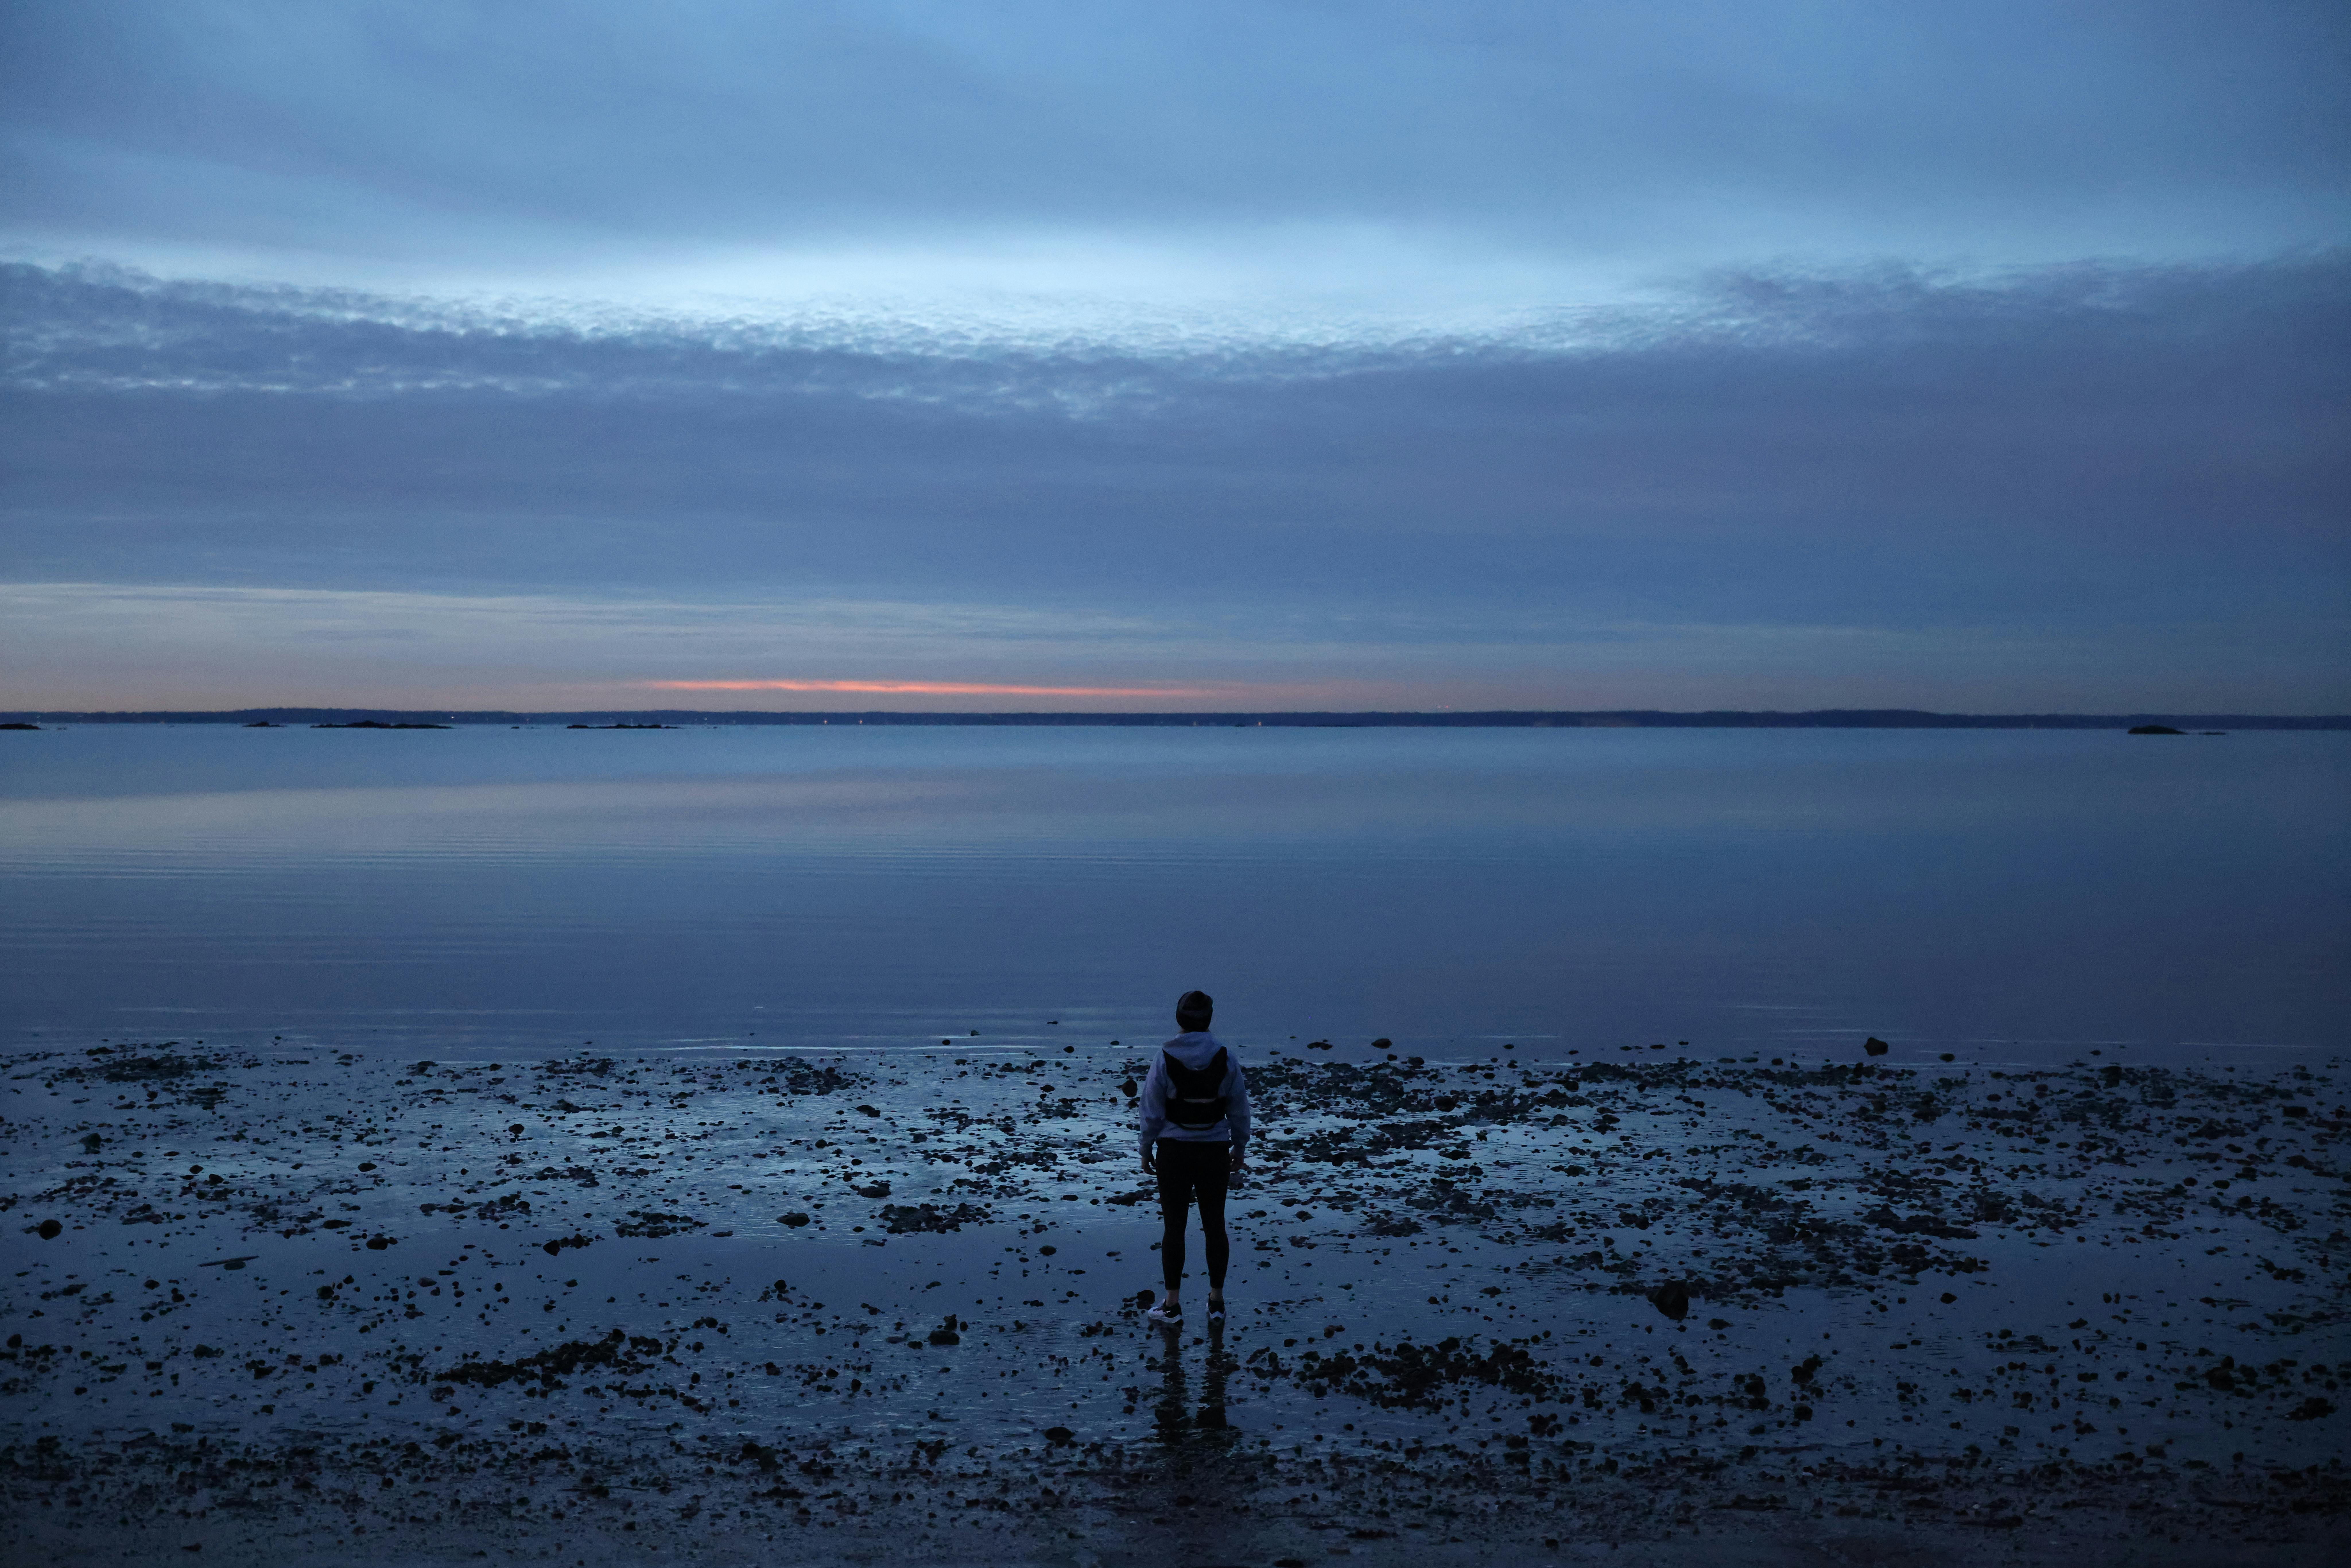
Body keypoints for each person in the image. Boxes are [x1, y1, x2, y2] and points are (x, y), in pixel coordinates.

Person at [1137, 989, 1249, 1325]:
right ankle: (1216, 1303)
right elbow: (1238, 1109)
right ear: (1209, 1019)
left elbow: (1151, 1111)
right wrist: (1239, 1148)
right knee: (1215, 1226)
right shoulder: (1225, 1057)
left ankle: (1172, 1306)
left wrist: (1145, 1149)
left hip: (1174, 1151)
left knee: (1174, 1228)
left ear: (1179, 1018)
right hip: (1214, 1150)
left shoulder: (1164, 1056)